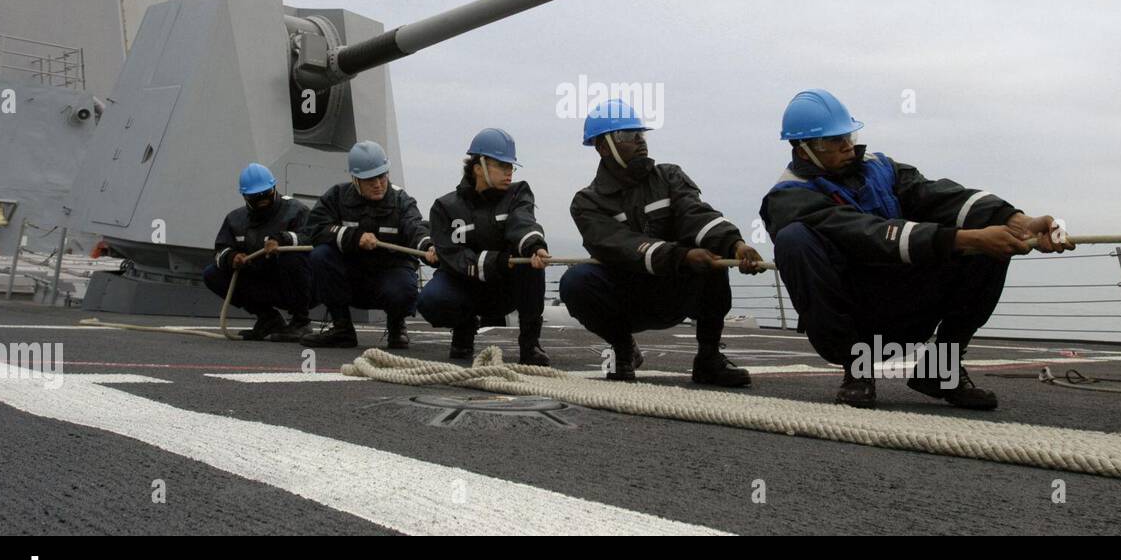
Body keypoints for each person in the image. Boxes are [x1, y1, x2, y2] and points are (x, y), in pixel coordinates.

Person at [759, 89, 1074, 410]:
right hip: (857, 310)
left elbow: (937, 196)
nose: (846, 146)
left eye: (847, 135)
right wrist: (966, 240)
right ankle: (856, 369)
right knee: (793, 239)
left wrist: (1017, 220)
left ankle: (941, 368)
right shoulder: (787, 198)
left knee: (988, 242)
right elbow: (865, 235)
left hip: (906, 296)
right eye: (832, 141)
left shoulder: (883, 168)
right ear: (803, 151)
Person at [559, 99, 765, 386]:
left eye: (640, 133)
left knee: (714, 254)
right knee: (575, 282)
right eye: (626, 135)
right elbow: (619, 244)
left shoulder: (669, 177)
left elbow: (696, 215)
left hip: (677, 289)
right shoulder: (587, 203)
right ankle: (623, 349)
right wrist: (680, 256)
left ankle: (708, 358)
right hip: (630, 297)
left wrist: (735, 244)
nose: (639, 141)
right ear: (602, 148)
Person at [417, 128, 553, 364]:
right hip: (464, 285)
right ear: (478, 167)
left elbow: (522, 221)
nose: (509, 172)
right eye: (501, 165)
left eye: (511, 166)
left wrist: (533, 245)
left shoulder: (518, 193)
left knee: (531, 266)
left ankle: (530, 344)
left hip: (505, 287)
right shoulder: (444, 208)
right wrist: (495, 261)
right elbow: (452, 256)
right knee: (431, 300)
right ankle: (464, 328)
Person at [301, 140, 437, 348]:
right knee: (320, 256)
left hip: (389, 273)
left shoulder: (401, 201)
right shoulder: (337, 196)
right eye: (370, 179)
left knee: (403, 290)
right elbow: (315, 228)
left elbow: (414, 227)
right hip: (351, 274)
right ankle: (342, 327)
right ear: (355, 179)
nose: (378, 184)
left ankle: (396, 325)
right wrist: (353, 237)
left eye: (382, 176)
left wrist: (427, 246)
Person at [202, 163, 313, 341]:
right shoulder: (235, 220)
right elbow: (218, 252)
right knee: (211, 274)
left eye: (266, 194)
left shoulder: (296, 211)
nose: (262, 199)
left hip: (298, 285)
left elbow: (311, 239)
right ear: (245, 196)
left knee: (292, 255)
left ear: (274, 188)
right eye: (256, 196)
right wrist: (231, 257)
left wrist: (281, 240)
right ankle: (268, 318)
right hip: (260, 282)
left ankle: (301, 322)